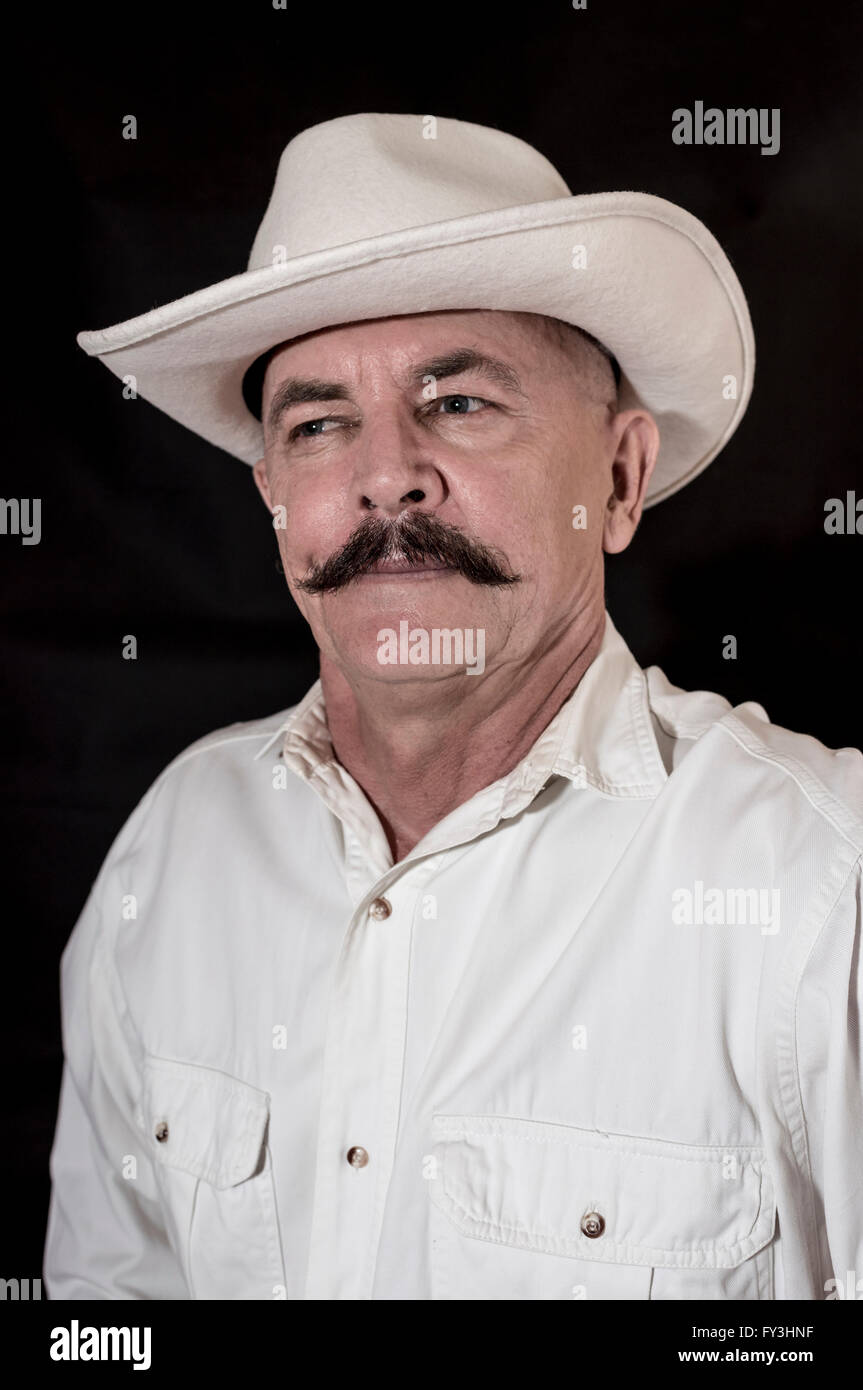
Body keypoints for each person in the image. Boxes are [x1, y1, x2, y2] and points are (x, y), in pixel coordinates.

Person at [44, 112, 862, 1301]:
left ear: (618, 478)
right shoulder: (172, 854)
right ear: (273, 494)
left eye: (460, 404)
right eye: (320, 423)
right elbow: (102, 1319)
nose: (385, 474)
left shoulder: (819, 888)